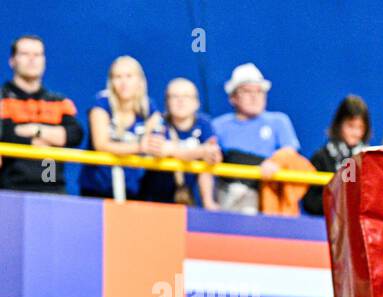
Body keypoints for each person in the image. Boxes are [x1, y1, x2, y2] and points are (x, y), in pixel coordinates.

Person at [212, 63, 300, 213]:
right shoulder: (218, 125)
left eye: (259, 91)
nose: (254, 96)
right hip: (229, 198)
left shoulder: (279, 121)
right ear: (233, 97)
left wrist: (275, 162)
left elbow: (289, 150)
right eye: (247, 91)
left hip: (268, 198)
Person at [0, 34, 83, 193]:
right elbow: (6, 133)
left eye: (37, 55)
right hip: (9, 188)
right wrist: (48, 137)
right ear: (12, 61)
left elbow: (75, 135)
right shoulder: (2, 98)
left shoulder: (58, 101)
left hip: (51, 184)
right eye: (25, 54)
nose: (32, 59)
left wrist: (34, 130)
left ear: (44, 61)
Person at [79, 56, 160, 200]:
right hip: (97, 186)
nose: (124, 83)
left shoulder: (148, 107)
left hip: (133, 188)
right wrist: (140, 147)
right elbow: (101, 144)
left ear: (140, 81)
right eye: (118, 77)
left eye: (129, 76)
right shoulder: (101, 104)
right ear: (111, 82)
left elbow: (157, 142)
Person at [138, 77, 221, 207]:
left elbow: (213, 156)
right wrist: (200, 151)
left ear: (197, 103)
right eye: (175, 96)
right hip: (156, 201)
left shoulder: (204, 125)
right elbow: (160, 150)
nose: (181, 101)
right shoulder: (158, 123)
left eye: (187, 96)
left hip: (194, 204)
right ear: (167, 102)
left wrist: (173, 150)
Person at [303, 94, 370, 216]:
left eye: (360, 127)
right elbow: (309, 202)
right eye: (350, 126)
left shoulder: (370, 159)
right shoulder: (322, 157)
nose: (356, 132)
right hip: (326, 227)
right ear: (339, 125)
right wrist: (336, 201)